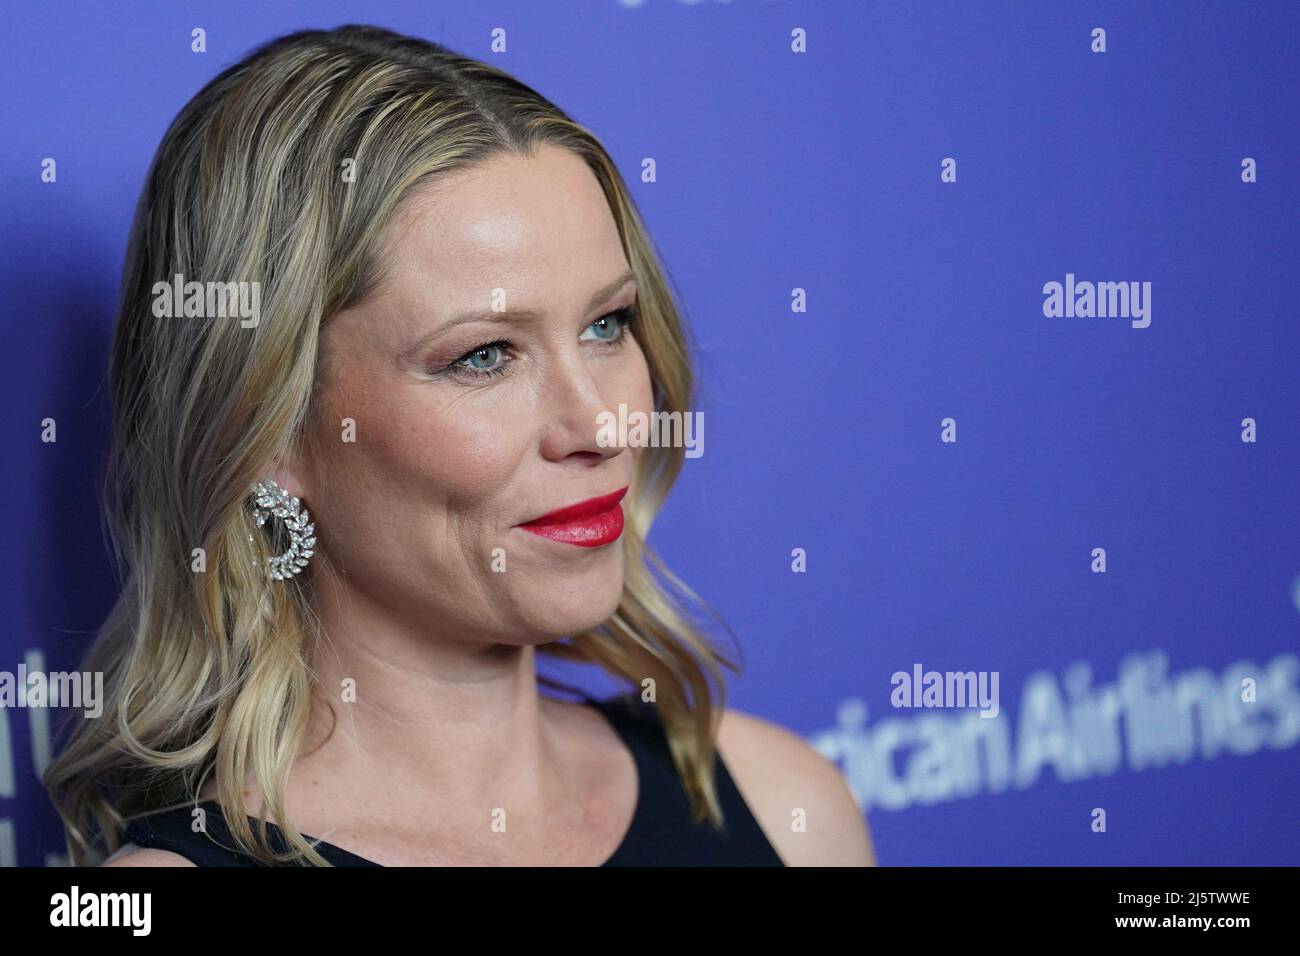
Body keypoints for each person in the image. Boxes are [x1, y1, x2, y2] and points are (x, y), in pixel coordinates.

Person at [43, 24, 875, 867]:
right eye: (483, 356)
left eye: (607, 324)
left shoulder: (786, 807)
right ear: (262, 433)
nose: (604, 425)